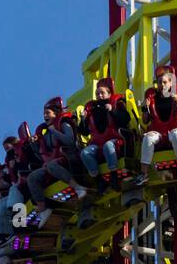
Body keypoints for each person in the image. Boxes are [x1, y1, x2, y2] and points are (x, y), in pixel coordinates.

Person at [27, 98, 88, 226]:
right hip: (53, 164)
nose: (45, 116)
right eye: (44, 114)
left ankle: (78, 187)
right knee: (32, 177)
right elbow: (42, 156)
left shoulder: (63, 124)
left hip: (69, 158)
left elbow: (69, 141)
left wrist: (54, 130)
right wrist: (34, 145)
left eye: (47, 113)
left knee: (51, 165)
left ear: (55, 113)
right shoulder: (45, 132)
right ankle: (43, 208)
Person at [136, 66, 177, 186]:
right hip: (158, 131)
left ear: (170, 82)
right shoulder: (152, 96)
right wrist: (145, 108)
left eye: (165, 82)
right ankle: (144, 173)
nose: (162, 85)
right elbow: (146, 121)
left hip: (174, 128)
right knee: (147, 138)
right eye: (159, 82)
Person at [80, 77, 132, 190]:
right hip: (98, 143)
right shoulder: (92, 110)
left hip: (115, 139)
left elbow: (126, 119)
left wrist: (113, 111)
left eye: (102, 93)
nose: (99, 96)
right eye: (97, 94)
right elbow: (84, 132)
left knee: (108, 146)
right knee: (85, 153)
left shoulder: (116, 104)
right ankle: (99, 179)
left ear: (109, 93)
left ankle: (114, 175)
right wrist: (83, 119)